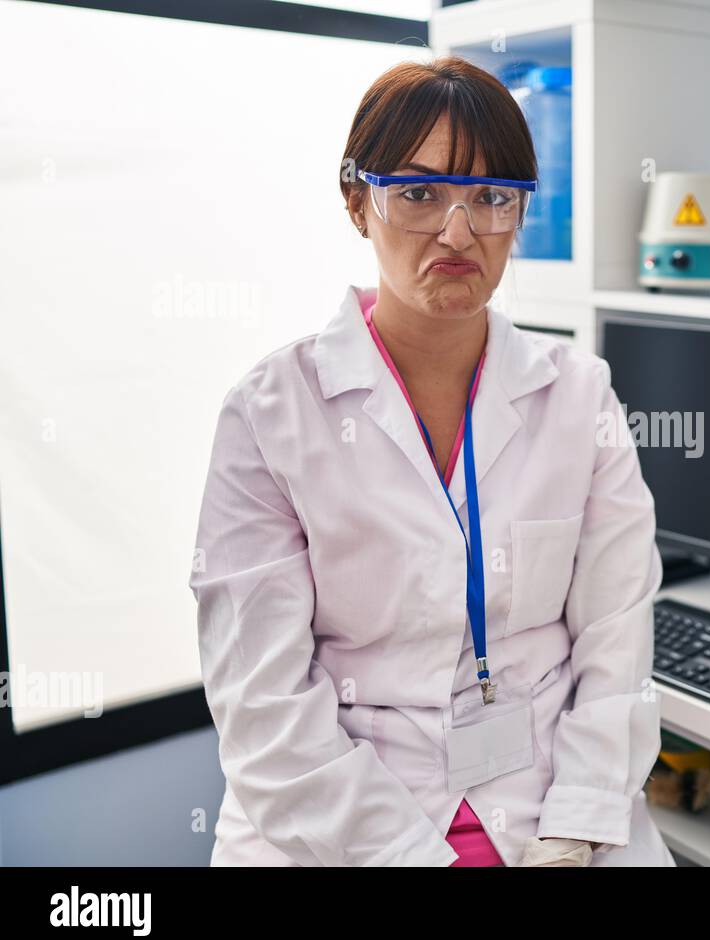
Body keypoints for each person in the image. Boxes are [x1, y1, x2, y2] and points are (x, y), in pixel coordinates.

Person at [188, 55, 674, 867]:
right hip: (344, 814)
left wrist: (578, 821)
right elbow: (263, 702)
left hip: (550, 796)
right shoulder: (270, 413)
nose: (459, 233)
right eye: (417, 193)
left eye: (490, 198)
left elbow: (617, 641)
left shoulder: (580, 395)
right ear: (357, 201)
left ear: (520, 214)